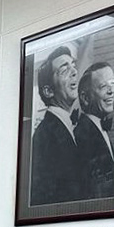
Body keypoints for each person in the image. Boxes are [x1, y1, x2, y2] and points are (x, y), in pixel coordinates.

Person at [30, 45, 82, 206]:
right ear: (48, 91)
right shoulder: (44, 135)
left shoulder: (73, 127)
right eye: (64, 69)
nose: (74, 72)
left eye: (73, 65)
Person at [75, 61, 114, 199]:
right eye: (103, 86)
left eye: (113, 84)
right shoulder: (81, 137)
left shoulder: (99, 129)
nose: (111, 91)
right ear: (85, 98)